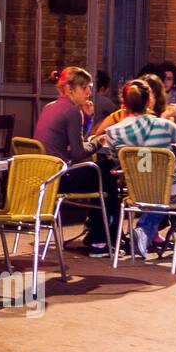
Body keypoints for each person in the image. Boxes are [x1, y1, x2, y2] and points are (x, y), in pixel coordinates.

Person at [96, 79, 176, 256]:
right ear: (150, 100)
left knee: (158, 194)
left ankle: (145, 233)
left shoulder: (113, 132)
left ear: (124, 103)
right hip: (170, 190)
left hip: (136, 191)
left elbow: (115, 158)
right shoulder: (163, 125)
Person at [35, 67, 113, 255]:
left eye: (89, 87)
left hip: (44, 175)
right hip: (61, 178)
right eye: (84, 87)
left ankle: (94, 233)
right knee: (107, 175)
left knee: (100, 173)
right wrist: (98, 142)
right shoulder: (71, 111)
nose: (88, 92)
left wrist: (88, 118)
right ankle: (100, 240)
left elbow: (75, 141)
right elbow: (78, 152)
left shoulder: (50, 107)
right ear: (70, 89)